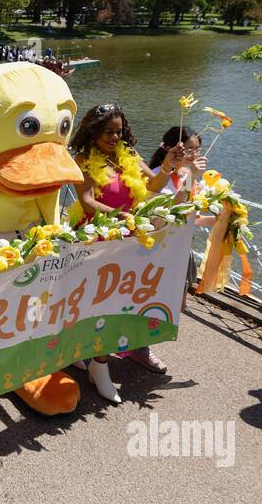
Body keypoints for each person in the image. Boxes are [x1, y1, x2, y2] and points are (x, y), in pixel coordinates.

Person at [65, 104, 186, 392]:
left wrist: (169, 163)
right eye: (108, 131)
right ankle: (84, 353)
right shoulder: (83, 159)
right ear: (94, 131)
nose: (115, 137)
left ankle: (129, 350)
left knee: (130, 294)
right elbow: (87, 201)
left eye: (119, 131)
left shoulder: (128, 156)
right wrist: (119, 215)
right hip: (98, 236)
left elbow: (154, 184)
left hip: (131, 236)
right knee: (94, 299)